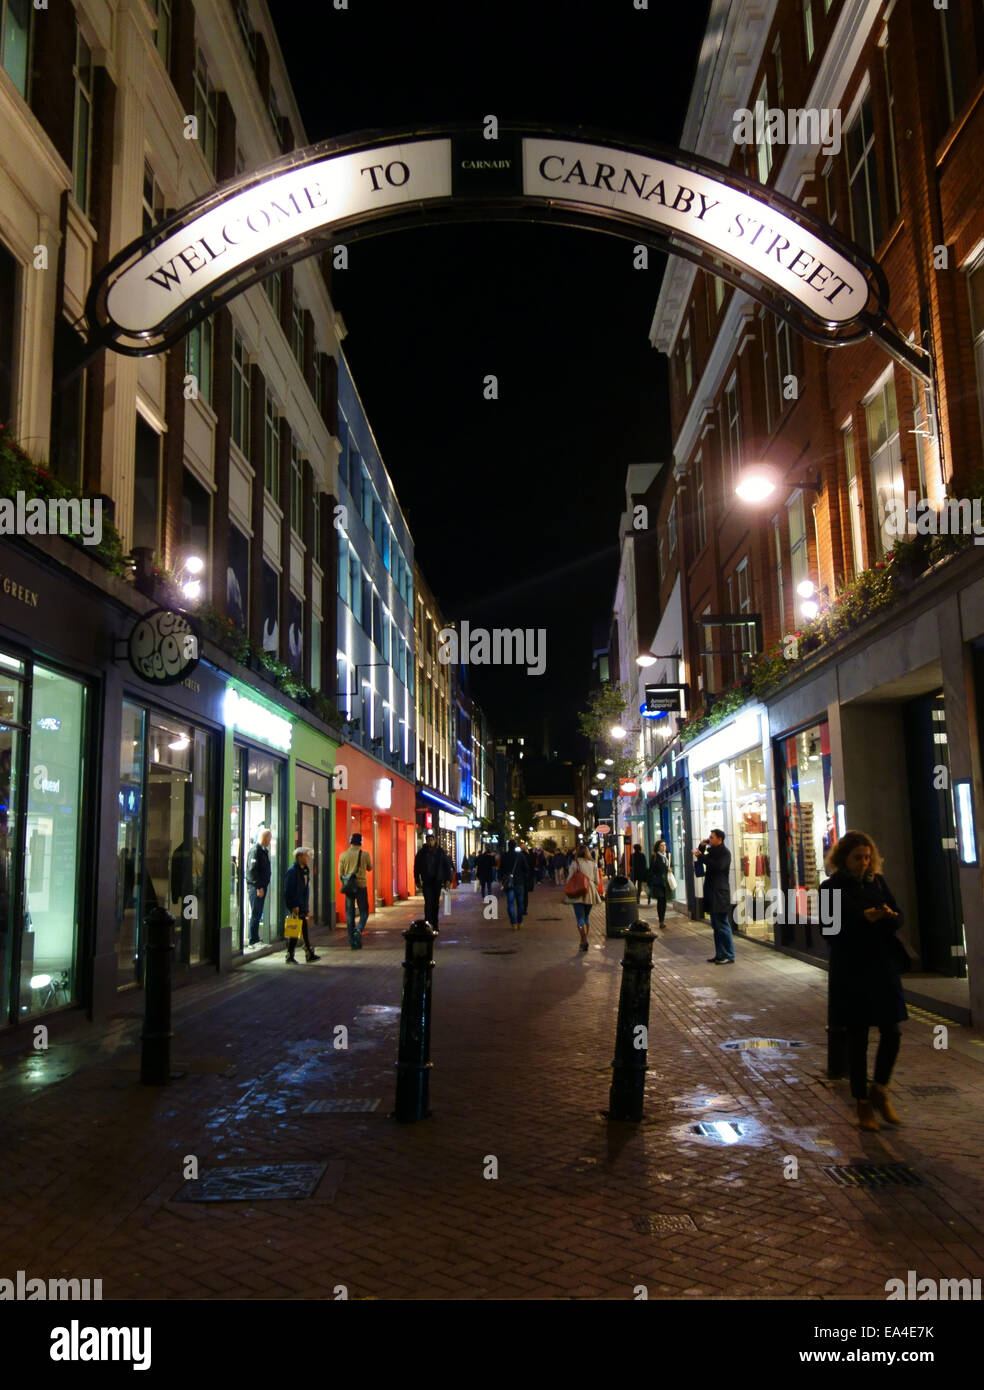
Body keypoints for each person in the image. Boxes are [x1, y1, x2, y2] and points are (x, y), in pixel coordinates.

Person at [821, 830, 907, 1131]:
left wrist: (888, 916)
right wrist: (863, 920)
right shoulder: (830, 888)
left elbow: (899, 917)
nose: (864, 862)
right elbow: (829, 933)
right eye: (858, 857)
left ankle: (880, 1088)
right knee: (858, 1039)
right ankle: (862, 1103)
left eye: (868, 857)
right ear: (844, 858)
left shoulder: (878, 882)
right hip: (853, 971)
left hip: (882, 968)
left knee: (892, 1032)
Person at [695, 828, 734, 963]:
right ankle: (720, 954)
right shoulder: (712, 852)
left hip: (720, 894)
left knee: (722, 925)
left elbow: (718, 866)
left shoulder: (725, 853)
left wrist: (702, 856)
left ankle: (729, 955)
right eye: (709, 837)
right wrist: (701, 845)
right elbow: (703, 859)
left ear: (719, 839)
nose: (709, 839)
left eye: (711, 837)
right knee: (716, 926)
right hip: (711, 893)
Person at [284, 846, 319, 963]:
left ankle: (305, 952)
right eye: (306, 855)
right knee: (296, 929)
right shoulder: (292, 872)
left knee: (301, 929)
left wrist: (305, 907)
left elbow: (305, 890)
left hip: (301, 905)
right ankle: (296, 954)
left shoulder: (304, 870)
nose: (308, 858)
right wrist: (294, 905)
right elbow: (289, 891)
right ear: (299, 857)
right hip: (296, 906)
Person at [566, 841, 602, 952]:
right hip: (590, 891)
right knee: (586, 917)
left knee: (580, 918)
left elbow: (569, 879)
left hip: (578, 892)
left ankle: (584, 940)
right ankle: (583, 940)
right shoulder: (593, 864)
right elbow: (597, 880)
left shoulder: (575, 863)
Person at [338, 832, 372, 950]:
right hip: (361, 885)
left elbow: (340, 873)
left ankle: (352, 940)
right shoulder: (365, 854)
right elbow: (370, 867)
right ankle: (359, 929)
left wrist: (346, 882)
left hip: (349, 887)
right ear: (360, 842)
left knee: (349, 913)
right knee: (364, 912)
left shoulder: (343, 855)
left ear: (350, 842)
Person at [414, 832, 453, 929]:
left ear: (434, 841)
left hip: (437, 881)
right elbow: (416, 867)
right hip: (426, 881)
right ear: (426, 841)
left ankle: (435, 924)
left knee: (435, 903)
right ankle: (428, 924)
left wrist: (448, 879)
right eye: (428, 840)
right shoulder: (422, 853)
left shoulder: (440, 852)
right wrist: (417, 880)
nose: (430, 842)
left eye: (431, 840)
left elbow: (447, 866)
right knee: (428, 903)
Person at [245, 828, 272, 948]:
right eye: (269, 838)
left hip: (261, 887)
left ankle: (255, 938)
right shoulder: (256, 850)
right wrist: (258, 886)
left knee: (258, 912)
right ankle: (253, 940)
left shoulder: (263, 851)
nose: (270, 841)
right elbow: (252, 871)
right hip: (256, 888)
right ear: (265, 838)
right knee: (256, 913)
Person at [498, 838, 528, 928]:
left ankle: (513, 922)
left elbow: (501, 870)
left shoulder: (504, 856)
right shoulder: (520, 856)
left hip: (509, 883)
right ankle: (520, 922)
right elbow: (526, 868)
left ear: (508, 846)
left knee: (510, 903)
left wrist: (501, 879)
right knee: (520, 903)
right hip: (519, 882)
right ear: (515, 846)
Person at [648, 840, 671, 928]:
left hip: (665, 882)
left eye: (665, 845)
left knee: (664, 901)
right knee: (660, 900)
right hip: (658, 882)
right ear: (658, 847)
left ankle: (662, 919)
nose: (664, 847)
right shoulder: (655, 856)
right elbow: (653, 870)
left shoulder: (666, 856)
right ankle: (661, 921)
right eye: (661, 845)